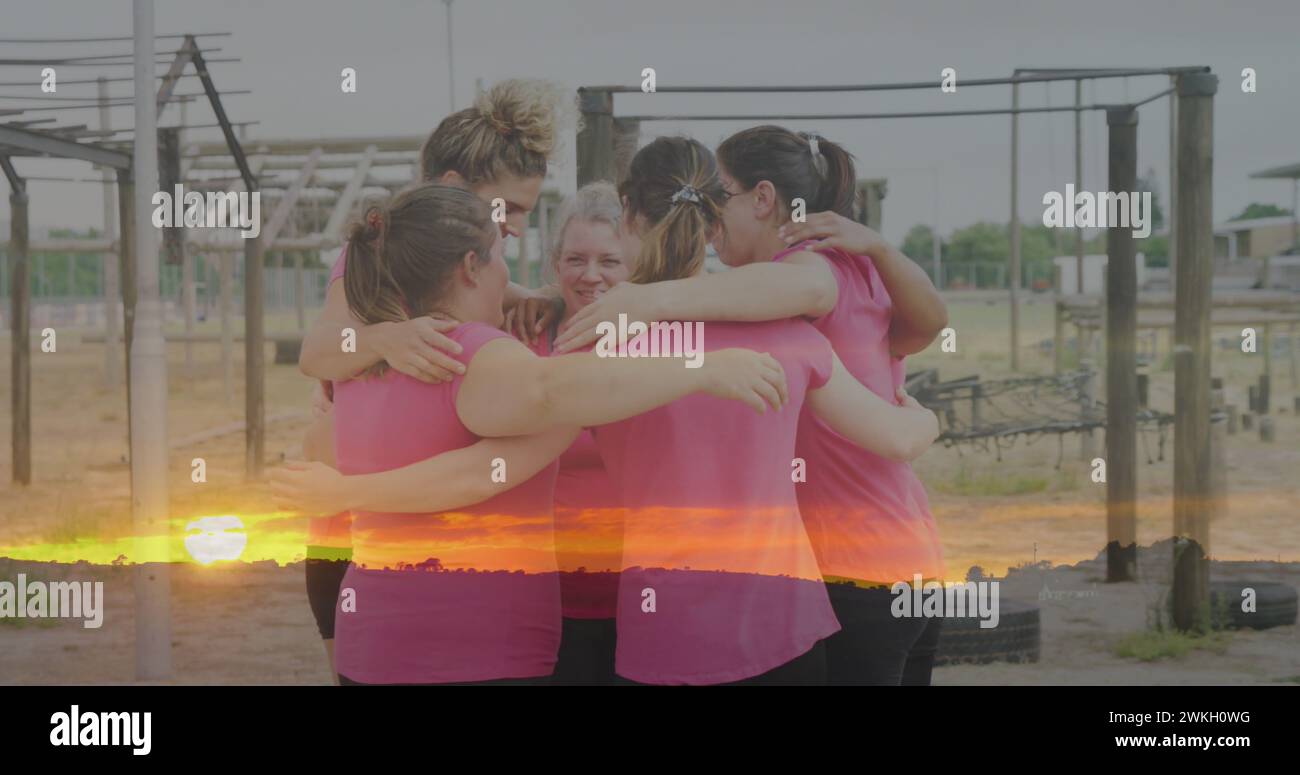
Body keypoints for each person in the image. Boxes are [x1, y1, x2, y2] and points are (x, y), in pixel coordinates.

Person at [293, 182, 790, 685]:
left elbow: (472, 463)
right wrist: (701, 368)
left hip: (374, 649)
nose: (510, 278)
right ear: (471, 267)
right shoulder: (470, 348)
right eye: (500, 256)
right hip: (472, 654)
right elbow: (549, 392)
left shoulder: (365, 359)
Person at [555, 125, 950, 685]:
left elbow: (523, 427)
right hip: (814, 611)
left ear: (626, 211)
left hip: (688, 627)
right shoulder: (796, 329)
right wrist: (926, 417)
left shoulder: (595, 343)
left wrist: (638, 303)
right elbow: (900, 428)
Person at [294, 79, 566, 677]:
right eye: (508, 208)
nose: (517, 226)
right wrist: (382, 339)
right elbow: (316, 351)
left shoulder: (481, 282)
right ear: (452, 189)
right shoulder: (376, 258)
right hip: (357, 538)